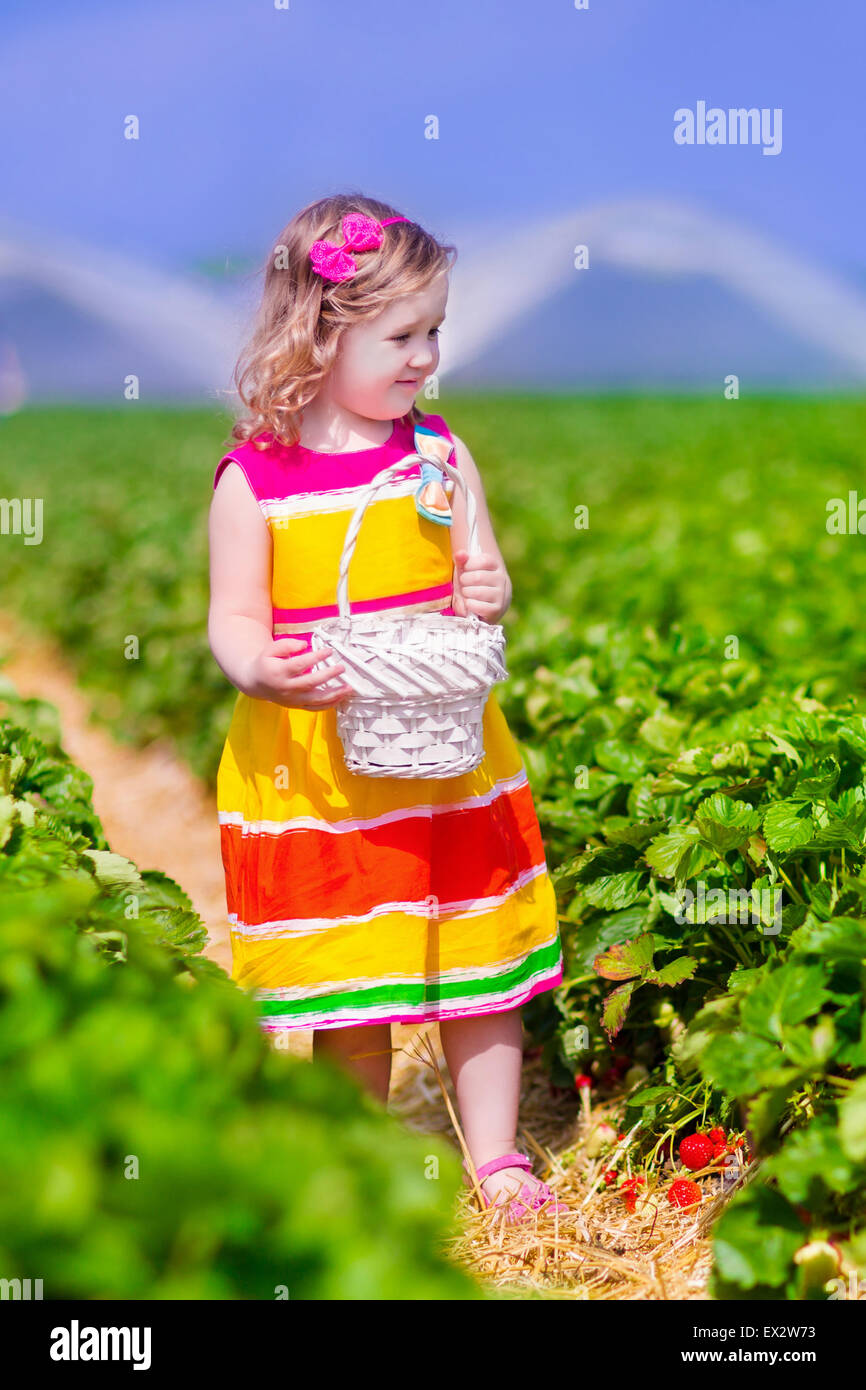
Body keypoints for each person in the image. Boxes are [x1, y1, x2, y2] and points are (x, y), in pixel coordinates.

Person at [208, 193, 569, 1222]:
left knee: (477, 965)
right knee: (353, 978)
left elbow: (478, 564)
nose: (424, 357)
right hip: (323, 765)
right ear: (317, 334)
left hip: (443, 750)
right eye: (401, 335)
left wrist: (486, 583)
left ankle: (495, 1157)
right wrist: (263, 670)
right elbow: (231, 616)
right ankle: (356, 1157)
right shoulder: (256, 479)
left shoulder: (439, 457)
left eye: (433, 333)